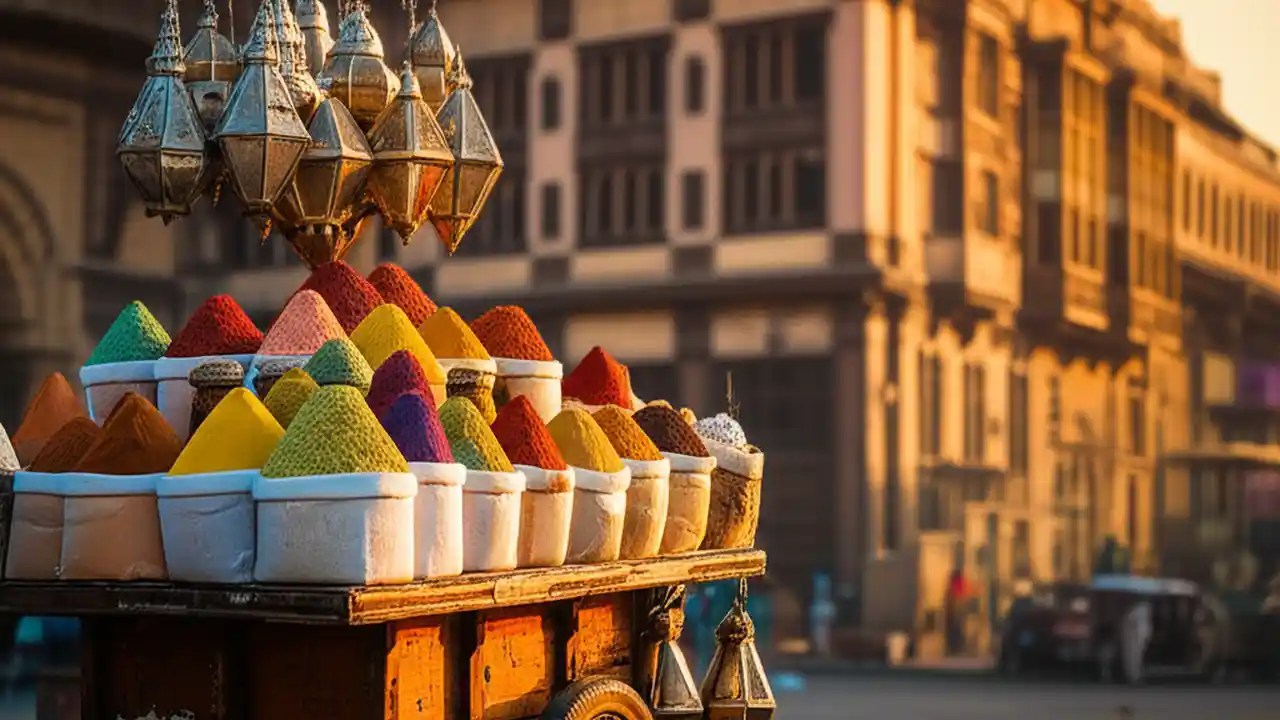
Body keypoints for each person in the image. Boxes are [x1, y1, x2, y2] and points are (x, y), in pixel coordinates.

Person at [1119, 598, 1152, 684]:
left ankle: (1134, 675)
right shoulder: (1139, 610)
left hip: (1137, 636)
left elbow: (1145, 625)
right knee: (1135, 656)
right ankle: (1134, 676)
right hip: (1135, 637)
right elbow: (1143, 626)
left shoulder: (1140, 610)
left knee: (1136, 656)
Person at [944, 569, 972, 656]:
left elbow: (953, 599)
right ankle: (956, 648)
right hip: (956, 613)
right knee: (956, 630)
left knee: (955, 630)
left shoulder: (955, 585)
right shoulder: (959, 585)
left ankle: (955, 648)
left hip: (955, 613)